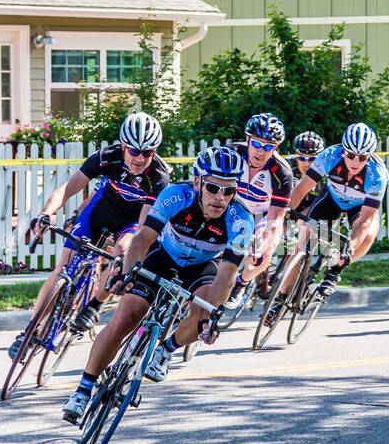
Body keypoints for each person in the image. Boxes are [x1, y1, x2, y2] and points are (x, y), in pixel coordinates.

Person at [61, 146, 253, 424]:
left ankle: (167, 348)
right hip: (162, 256)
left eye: (228, 190)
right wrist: (127, 275)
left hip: (203, 266)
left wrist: (214, 313)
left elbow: (227, 273)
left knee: (203, 312)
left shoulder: (241, 219)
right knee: (126, 317)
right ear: (198, 182)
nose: (220, 197)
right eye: (213, 187)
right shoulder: (177, 194)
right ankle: (83, 389)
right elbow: (142, 239)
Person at [11, 112, 169, 358]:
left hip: (131, 220)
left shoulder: (158, 176)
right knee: (62, 269)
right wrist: (45, 214)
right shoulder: (107, 157)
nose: (140, 158)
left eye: (147, 152)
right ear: (124, 146)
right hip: (102, 209)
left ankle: (96, 303)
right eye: (134, 151)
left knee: (122, 252)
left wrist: (128, 255)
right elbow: (68, 188)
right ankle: (29, 331)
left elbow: (142, 226)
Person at [274, 122, 388, 309]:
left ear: (370, 156)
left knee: (368, 234)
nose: (355, 162)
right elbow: (302, 189)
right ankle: (280, 297)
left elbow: (366, 219)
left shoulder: (377, 175)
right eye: (351, 155)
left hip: (359, 206)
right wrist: (282, 216)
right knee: (303, 242)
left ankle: (336, 270)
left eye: (362, 157)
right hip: (331, 199)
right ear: (343, 151)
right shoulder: (330, 155)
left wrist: (349, 247)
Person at [226, 113, 294, 307]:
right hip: (232, 208)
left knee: (265, 252)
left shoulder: (282, 172)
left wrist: (262, 245)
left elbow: (275, 221)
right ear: (247, 139)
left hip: (262, 216)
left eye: (268, 147)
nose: (261, 151)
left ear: (276, 147)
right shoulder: (232, 155)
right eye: (256, 144)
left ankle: (241, 283)